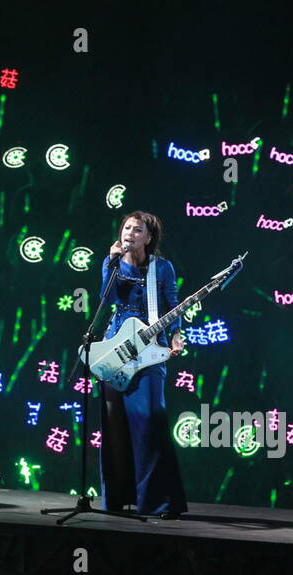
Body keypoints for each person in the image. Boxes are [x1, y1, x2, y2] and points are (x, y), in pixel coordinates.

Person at [97, 211, 188, 517]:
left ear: (149, 238)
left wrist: (176, 337)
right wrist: (111, 264)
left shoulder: (161, 268)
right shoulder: (111, 265)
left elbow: (174, 305)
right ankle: (116, 501)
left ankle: (157, 502)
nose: (130, 233)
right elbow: (104, 300)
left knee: (149, 421)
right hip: (115, 350)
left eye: (138, 230)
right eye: (127, 228)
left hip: (151, 350)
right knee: (114, 428)